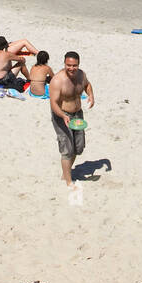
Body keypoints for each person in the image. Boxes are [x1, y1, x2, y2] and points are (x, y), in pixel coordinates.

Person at [49, 51, 94, 187]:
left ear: (78, 65)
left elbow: (87, 85)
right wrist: (62, 116)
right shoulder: (57, 80)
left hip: (78, 114)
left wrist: (91, 95)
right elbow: (53, 103)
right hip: (61, 115)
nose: (71, 68)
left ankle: (66, 171)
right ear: (64, 64)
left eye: (74, 65)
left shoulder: (81, 75)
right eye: (69, 65)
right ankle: (68, 181)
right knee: (67, 149)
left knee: (78, 148)